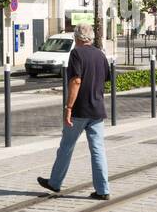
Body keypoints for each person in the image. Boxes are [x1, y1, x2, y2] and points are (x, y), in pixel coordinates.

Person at [38, 24, 110, 200]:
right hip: (97, 109)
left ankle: (55, 182)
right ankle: (103, 189)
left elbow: (76, 81)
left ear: (76, 38)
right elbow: (106, 78)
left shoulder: (76, 54)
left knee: (67, 146)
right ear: (91, 38)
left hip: (80, 109)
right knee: (98, 149)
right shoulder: (100, 55)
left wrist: (68, 107)